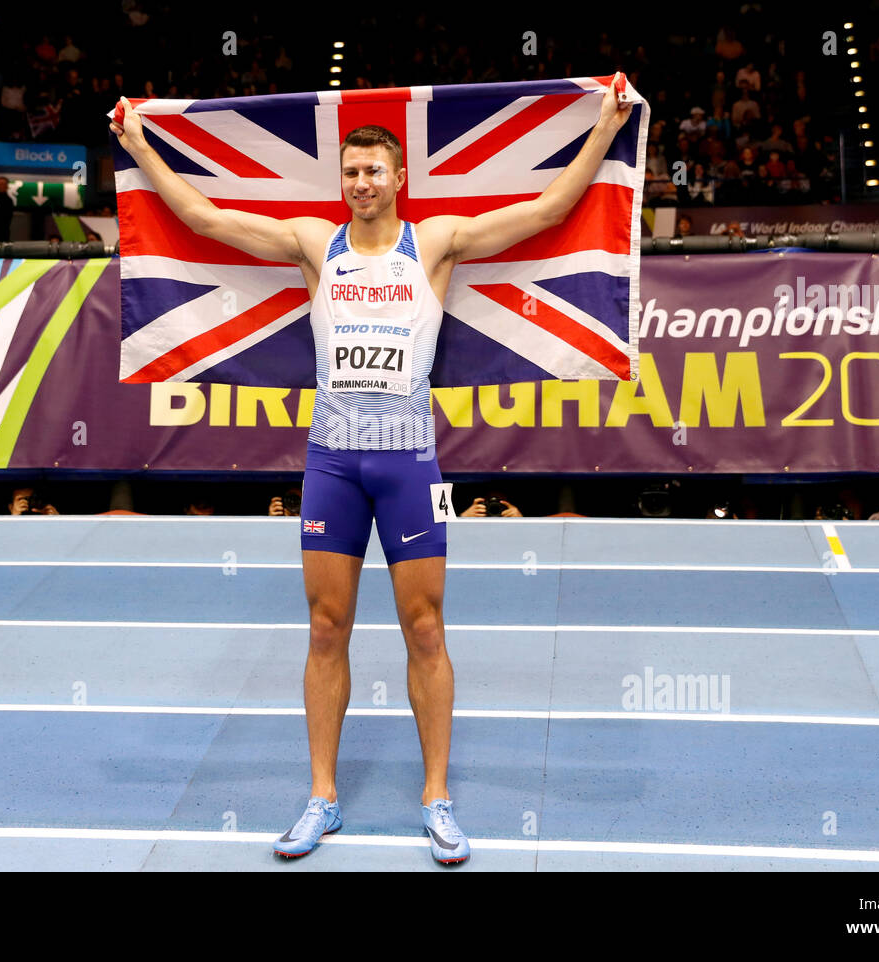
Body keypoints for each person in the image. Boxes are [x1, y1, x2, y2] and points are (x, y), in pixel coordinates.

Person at [111, 81, 634, 865]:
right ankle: (322, 796)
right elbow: (208, 220)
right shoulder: (312, 246)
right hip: (331, 462)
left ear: (398, 180)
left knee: (425, 629)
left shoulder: (437, 243)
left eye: (372, 172)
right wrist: (141, 147)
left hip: (411, 465)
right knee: (326, 629)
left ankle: (437, 798)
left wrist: (604, 128)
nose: (360, 184)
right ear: (343, 181)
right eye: (350, 173)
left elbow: (546, 212)